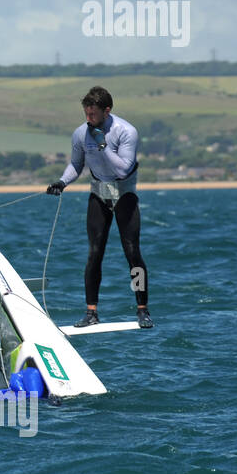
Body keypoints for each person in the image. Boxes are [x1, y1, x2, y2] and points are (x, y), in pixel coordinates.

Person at [46, 86, 152, 328]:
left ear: (107, 110)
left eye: (93, 115)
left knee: (132, 253)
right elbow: (76, 164)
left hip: (124, 195)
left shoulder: (126, 132)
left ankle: (143, 309)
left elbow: (123, 169)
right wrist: (62, 182)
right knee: (94, 254)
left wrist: (103, 146)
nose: (88, 119)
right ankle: (91, 312)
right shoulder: (80, 134)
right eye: (86, 113)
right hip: (98, 195)